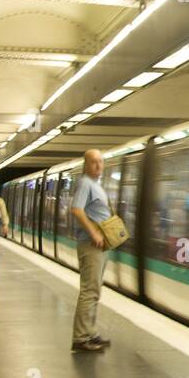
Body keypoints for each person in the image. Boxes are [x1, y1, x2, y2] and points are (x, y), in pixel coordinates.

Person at [69, 149, 114, 353]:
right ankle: (80, 338)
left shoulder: (96, 185)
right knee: (89, 291)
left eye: (101, 162)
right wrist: (94, 233)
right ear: (86, 165)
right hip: (91, 244)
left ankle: (91, 332)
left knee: (95, 290)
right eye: (94, 162)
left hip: (101, 245)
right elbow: (76, 209)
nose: (98, 166)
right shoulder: (85, 183)